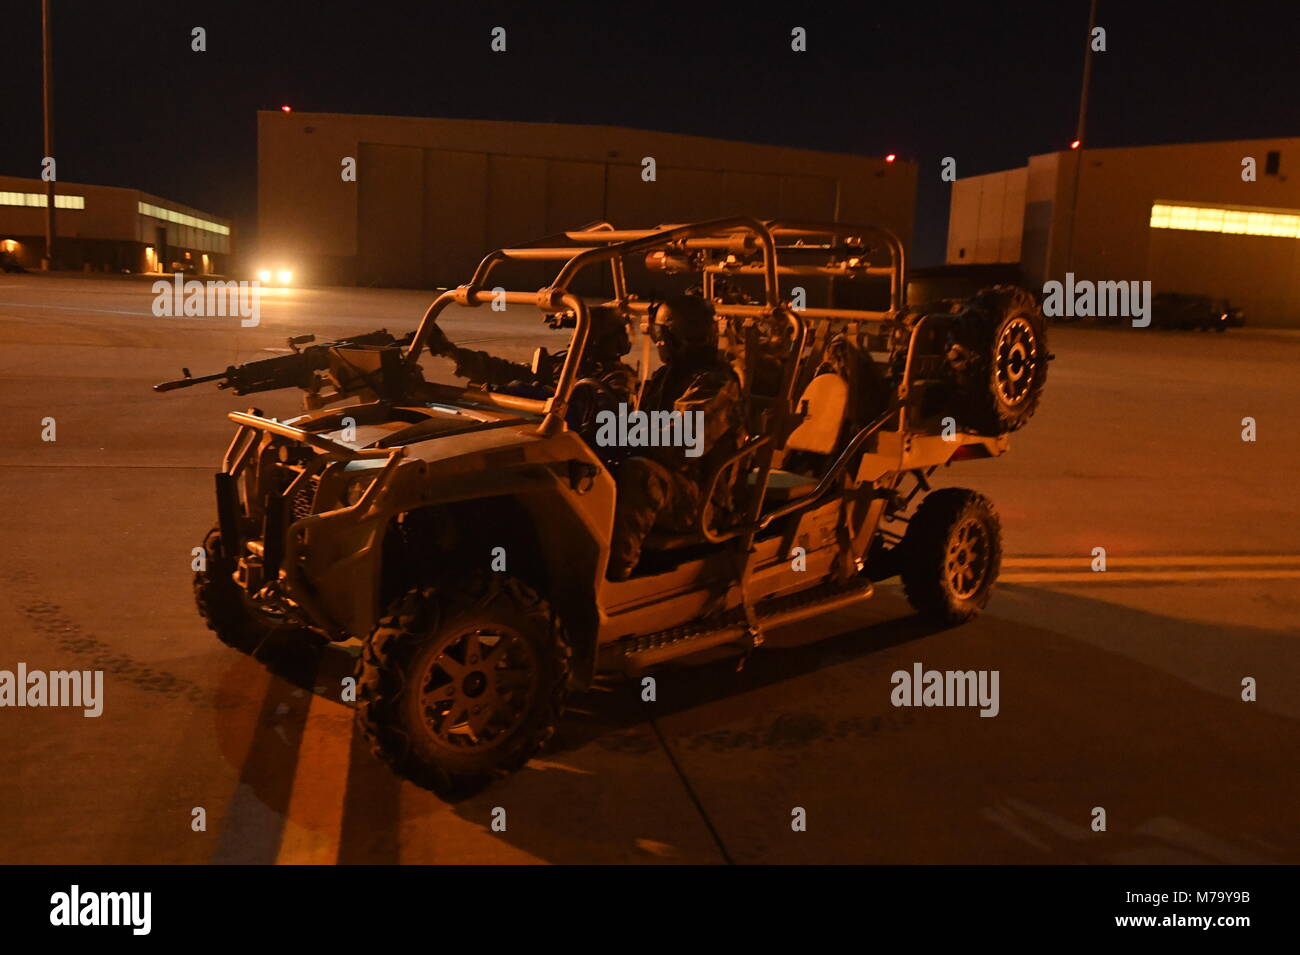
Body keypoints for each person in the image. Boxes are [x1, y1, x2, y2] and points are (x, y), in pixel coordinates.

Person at [607, 294, 745, 580]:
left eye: (663, 335)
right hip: (674, 481)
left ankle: (616, 574)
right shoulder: (669, 376)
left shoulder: (717, 383)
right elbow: (640, 419)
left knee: (638, 474)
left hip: (701, 499)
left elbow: (679, 444)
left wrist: (623, 434)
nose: (659, 342)